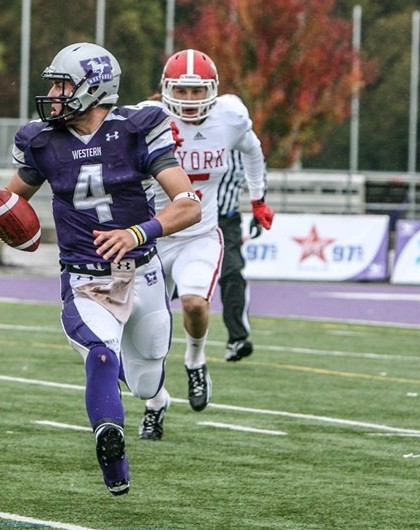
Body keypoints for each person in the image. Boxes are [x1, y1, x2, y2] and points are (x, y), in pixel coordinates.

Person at [0, 42, 201, 495]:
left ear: (94, 88)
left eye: (62, 85)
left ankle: (155, 401)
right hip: (85, 279)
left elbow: (188, 206)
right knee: (102, 355)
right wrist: (0, 215)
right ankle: (111, 446)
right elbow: (11, 198)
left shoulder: (138, 130)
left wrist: (138, 232)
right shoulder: (42, 140)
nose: (55, 95)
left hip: (142, 272)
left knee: (144, 380)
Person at [138, 49, 274, 441]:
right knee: (147, 333)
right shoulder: (145, 117)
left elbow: (253, 149)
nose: (190, 99)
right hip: (154, 233)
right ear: (166, 89)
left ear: (212, 91)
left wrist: (258, 197)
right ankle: (155, 402)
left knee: (195, 303)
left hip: (201, 232)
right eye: (182, 90)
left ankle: (196, 360)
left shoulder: (229, 117)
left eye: (198, 91)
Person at [217, 150, 263, 362]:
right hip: (187, 219)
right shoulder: (184, 134)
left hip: (226, 221)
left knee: (233, 273)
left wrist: (259, 209)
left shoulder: (242, 136)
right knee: (165, 280)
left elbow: (259, 172)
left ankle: (237, 339)